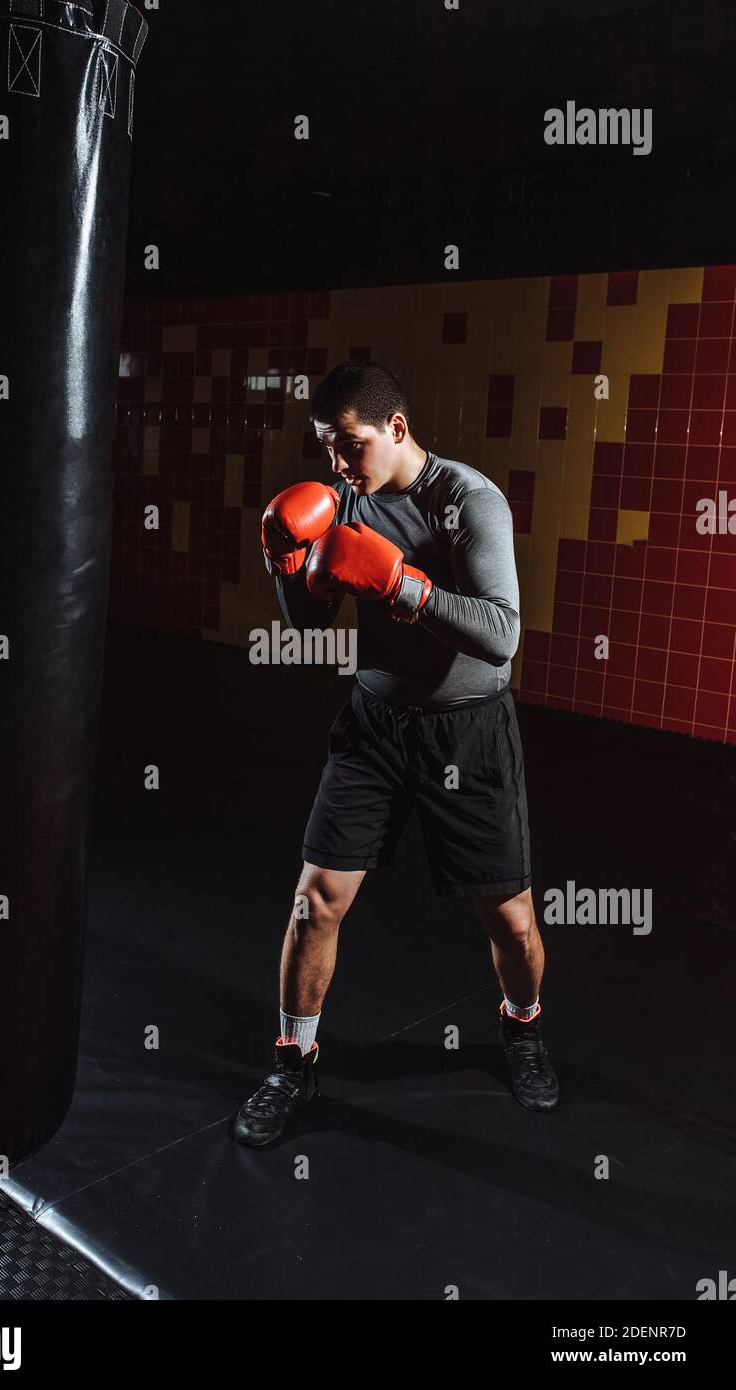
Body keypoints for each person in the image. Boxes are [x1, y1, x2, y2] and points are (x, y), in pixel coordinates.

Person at [233, 360, 558, 1148]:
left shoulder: (468, 501)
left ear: (396, 429)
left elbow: (502, 634)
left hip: (469, 730)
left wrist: (402, 586)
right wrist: (283, 563)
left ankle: (521, 1029)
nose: (340, 467)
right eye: (327, 450)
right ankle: (293, 1060)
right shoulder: (341, 501)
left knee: (512, 922)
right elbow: (308, 628)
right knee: (314, 903)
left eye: (350, 445)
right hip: (375, 726)